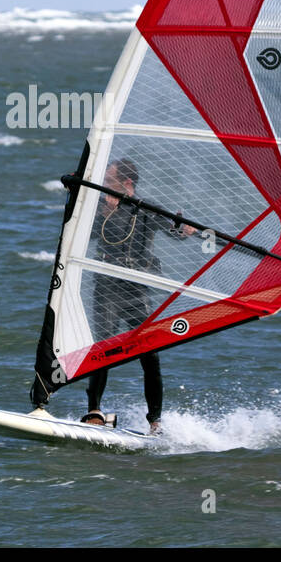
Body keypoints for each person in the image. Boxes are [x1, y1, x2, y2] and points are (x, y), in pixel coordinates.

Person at [81, 158, 194, 434]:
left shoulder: (144, 209)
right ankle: (94, 411)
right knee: (103, 348)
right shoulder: (98, 207)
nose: (104, 185)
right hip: (107, 288)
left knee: (150, 355)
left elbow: (174, 231)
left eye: (109, 181)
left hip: (136, 290)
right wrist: (105, 213)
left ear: (126, 183)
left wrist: (185, 231)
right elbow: (86, 236)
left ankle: (155, 421)